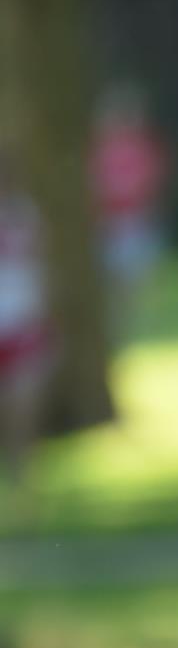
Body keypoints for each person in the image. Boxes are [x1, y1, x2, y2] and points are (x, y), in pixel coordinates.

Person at [92, 82, 170, 344]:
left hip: (134, 224)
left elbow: (152, 187)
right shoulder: (98, 149)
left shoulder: (144, 147)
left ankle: (123, 333)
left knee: (130, 286)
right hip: (107, 225)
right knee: (109, 286)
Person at [0, 153, 49, 523]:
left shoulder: (24, 214)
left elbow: (40, 262)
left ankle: (23, 476)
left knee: (24, 402)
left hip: (23, 320)